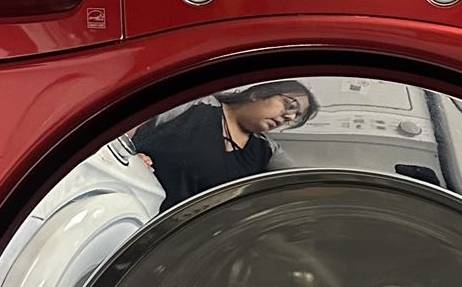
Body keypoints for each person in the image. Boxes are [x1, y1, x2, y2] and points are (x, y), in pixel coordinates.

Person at [128, 83, 319, 208]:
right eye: (290, 105)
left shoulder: (266, 150)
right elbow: (124, 129)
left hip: (180, 240)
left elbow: (302, 186)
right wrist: (130, 157)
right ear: (258, 93)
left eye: (297, 116)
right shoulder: (194, 105)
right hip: (129, 206)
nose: (289, 117)